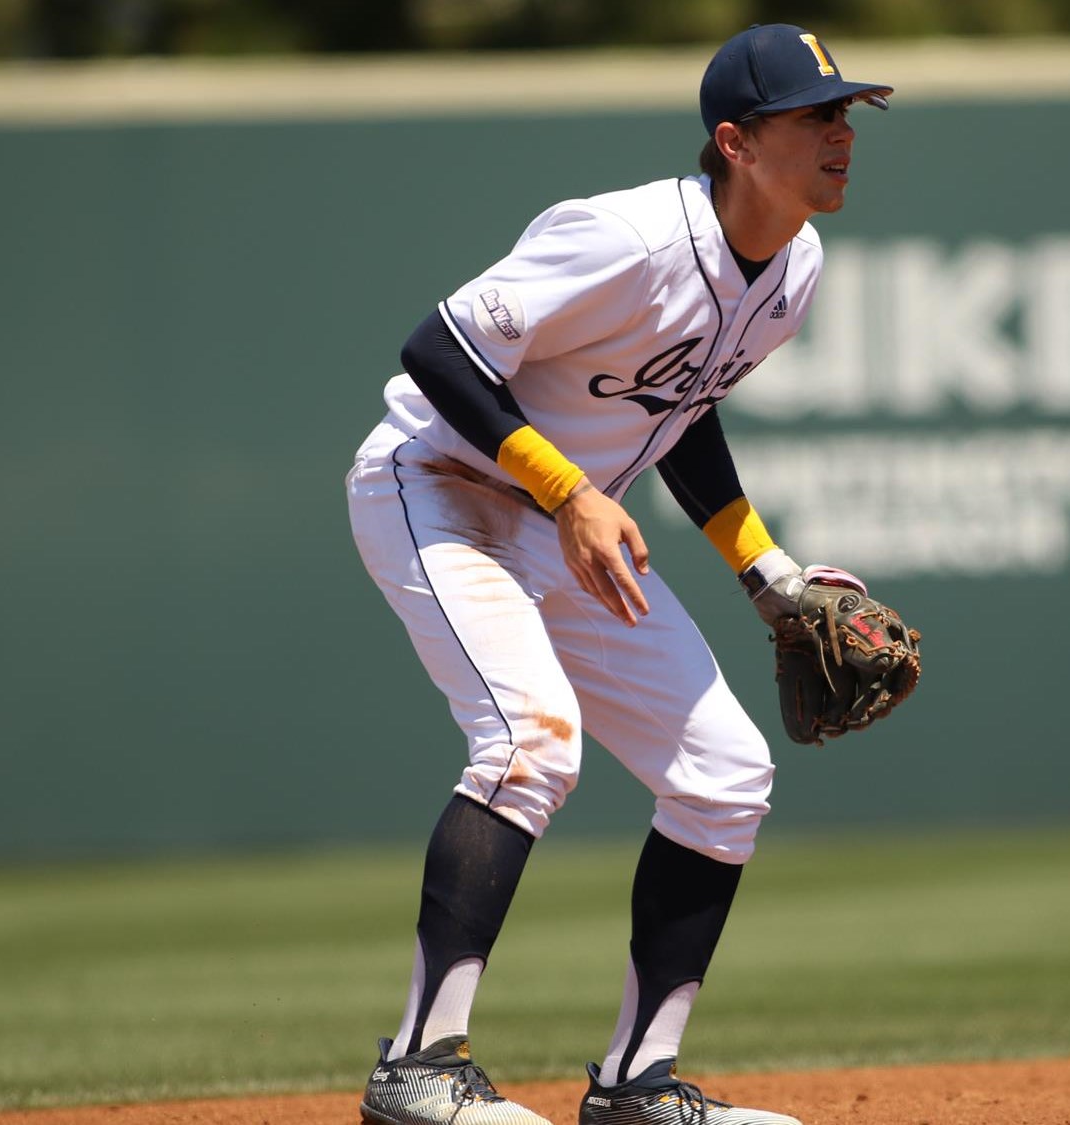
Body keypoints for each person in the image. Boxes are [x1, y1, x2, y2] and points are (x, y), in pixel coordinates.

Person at [345, 22, 892, 1125]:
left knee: (725, 774)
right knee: (528, 741)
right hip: (435, 490)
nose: (840, 134)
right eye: (812, 116)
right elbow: (438, 350)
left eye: (845, 113)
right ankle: (416, 1066)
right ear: (735, 142)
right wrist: (571, 492)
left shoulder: (794, 269)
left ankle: (637, 1085)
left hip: (562, 526)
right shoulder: (625, 237)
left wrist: (762, 569)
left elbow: (677, 409)